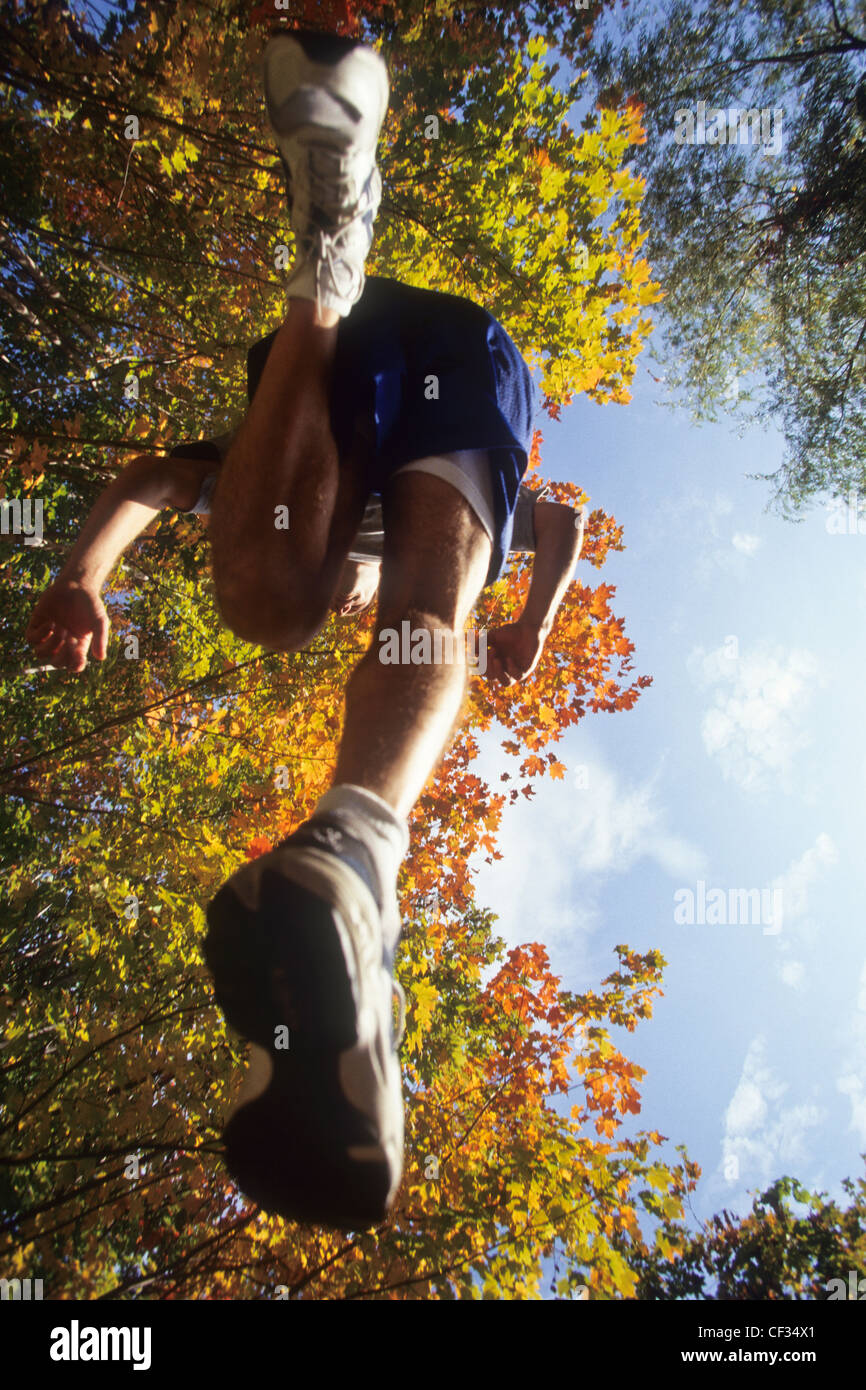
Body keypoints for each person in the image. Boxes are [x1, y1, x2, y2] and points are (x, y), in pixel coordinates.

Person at [25, 29, 585, 1229]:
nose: (340, 592)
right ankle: (327, 263)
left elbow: (556, 519)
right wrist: (82, 577)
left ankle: (326, 272)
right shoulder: (314, 509)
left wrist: (87, 574)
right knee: (350, 597)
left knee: (318, 595)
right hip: (407, 378)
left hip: (366, 375)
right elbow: (550, 519)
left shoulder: (296, 498)